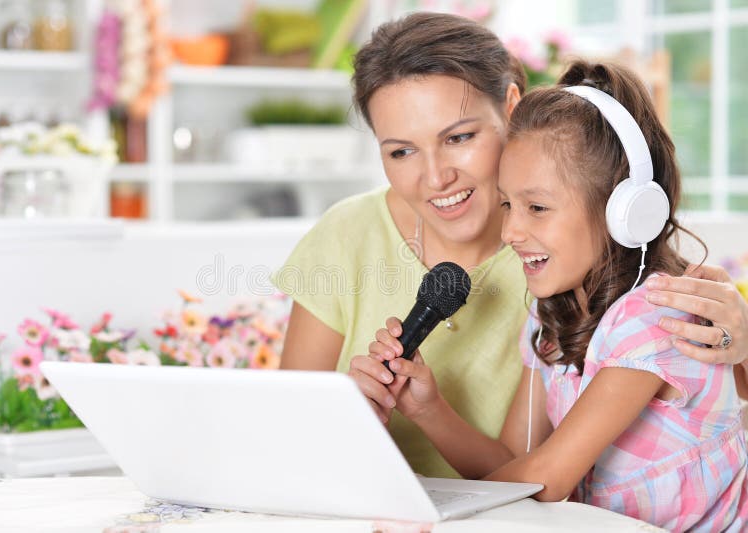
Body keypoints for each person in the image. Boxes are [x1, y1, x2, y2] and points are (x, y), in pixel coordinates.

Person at [272, 12, 748, 479]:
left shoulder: (575, 263)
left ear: (512, 107)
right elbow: (285, 432)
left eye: (458, 137)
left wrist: (743, 347)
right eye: (401, 151)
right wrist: (345, 425)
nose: (436, 177)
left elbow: (545, 473)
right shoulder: (348, 232)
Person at [368, 60, 747, 531]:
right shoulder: (552, 317)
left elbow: (549, 479)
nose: (510, 231)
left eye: (537, 207)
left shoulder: (657, 316)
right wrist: (429, 409)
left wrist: (432, 516)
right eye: (508, 204)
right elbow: (514, 464)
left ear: (622, 211)